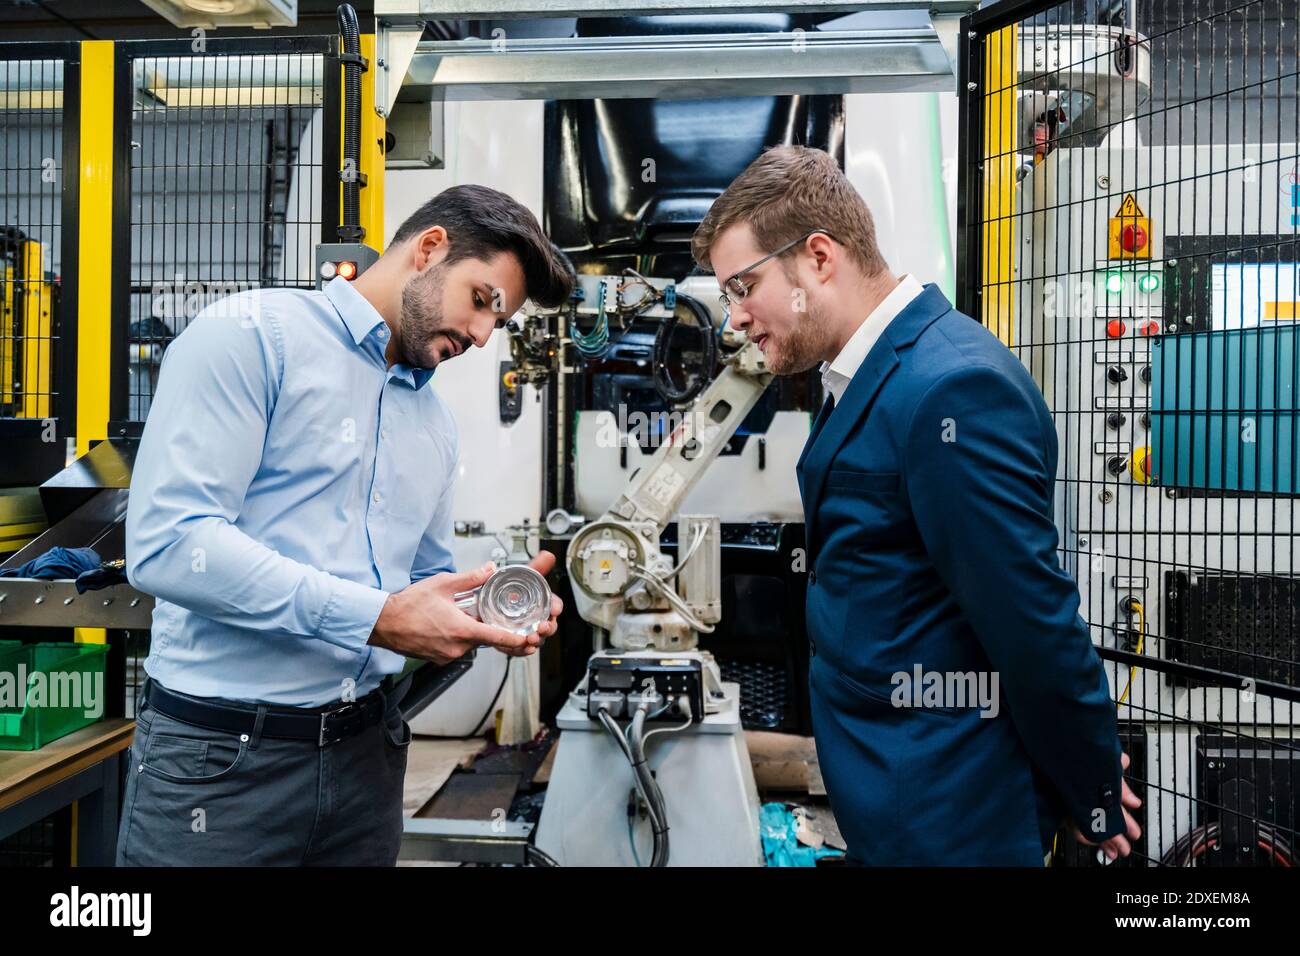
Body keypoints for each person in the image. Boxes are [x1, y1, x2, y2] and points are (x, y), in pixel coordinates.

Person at [691, 146, 1142, 866]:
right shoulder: (868, 374)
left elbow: (1029, 621)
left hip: (954, 812)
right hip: (899, 795)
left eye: (743, 287)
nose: (736, 318)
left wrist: (1087, 780)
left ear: (817, 257)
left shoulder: (950, 389)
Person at [118, 184, 574, 866]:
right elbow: (171, 544)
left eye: (497, 323)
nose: (483, 337)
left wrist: (487, 609)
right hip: (221, 765)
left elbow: (418, 582)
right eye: (483, 301)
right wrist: (375, 617)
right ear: (429, 249)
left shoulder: (433, 424)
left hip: (366, 758)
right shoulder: (251, 339)